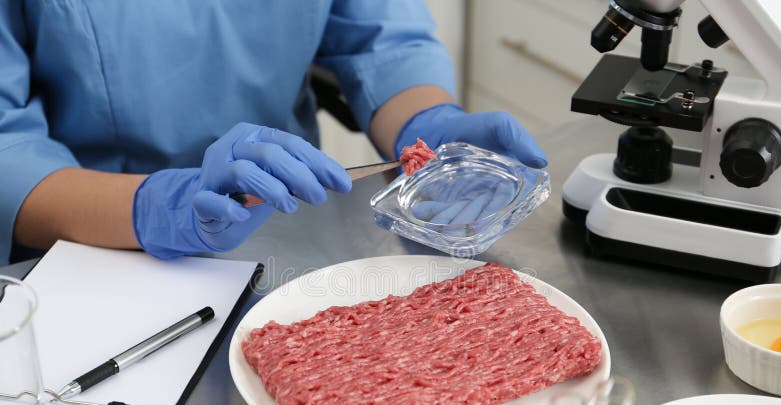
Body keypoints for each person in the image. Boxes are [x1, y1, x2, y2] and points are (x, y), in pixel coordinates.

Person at [0, 1, 547, 265]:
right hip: (91, 240)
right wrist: (161, 208)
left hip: (291, 225)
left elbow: (383, 42)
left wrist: (427, 125)